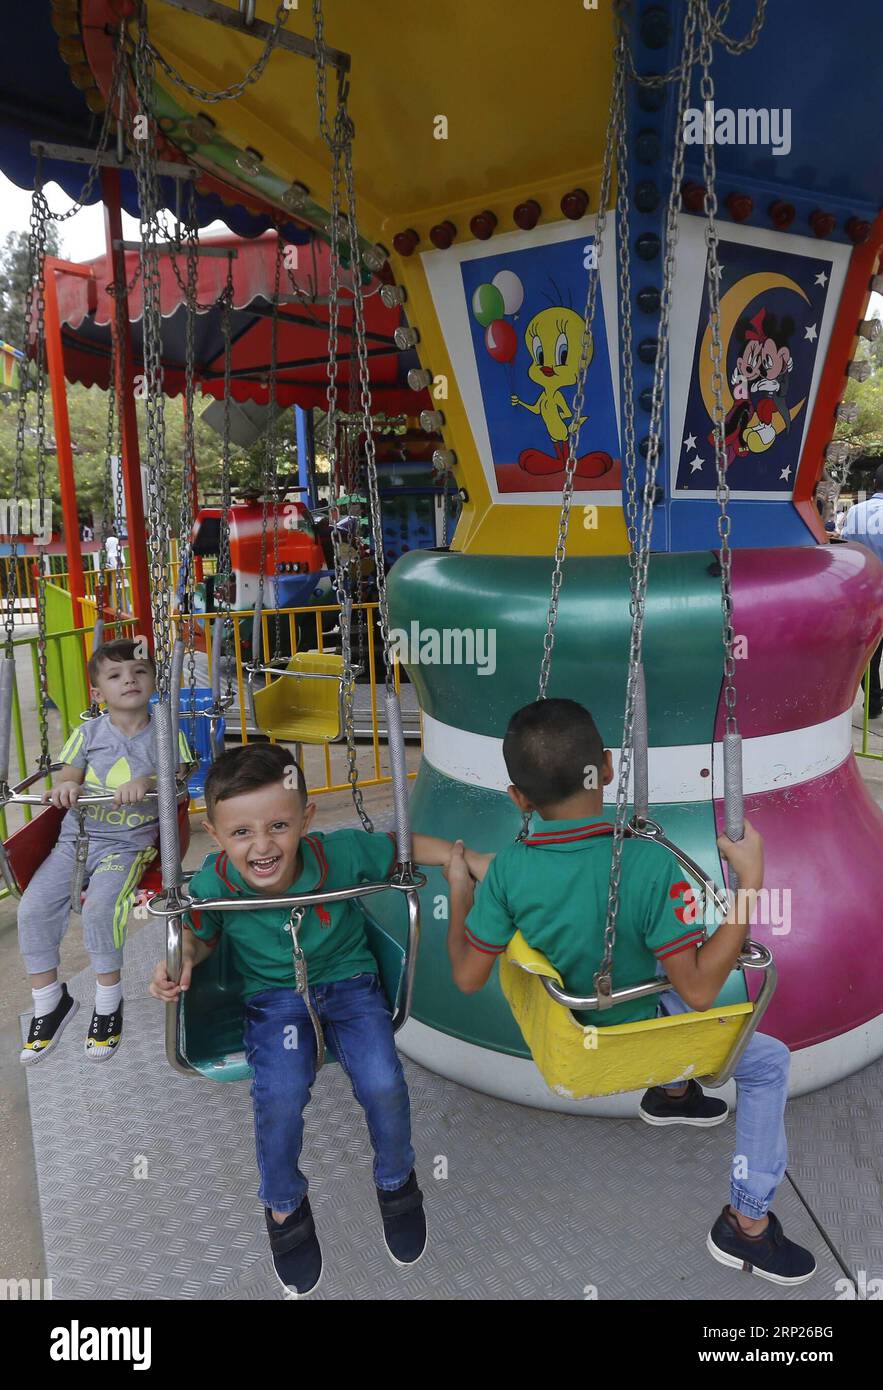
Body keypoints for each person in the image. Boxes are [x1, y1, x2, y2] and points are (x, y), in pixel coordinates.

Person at [443, 699, 816, 1286]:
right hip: (640, 1034)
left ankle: (672, 1095)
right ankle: (747, 1224)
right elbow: (696, 990)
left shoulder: (512, 871)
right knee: (767, 1063)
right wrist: (750, 883)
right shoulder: (647, 865)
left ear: (518, 798)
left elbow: (467, 976)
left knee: (651, 991)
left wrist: (460, 891)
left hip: (577, 1040)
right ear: (610, 768)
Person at [150, 743, 477, 1298]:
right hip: (276, 1000)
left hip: (350, 986)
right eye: (242, 833)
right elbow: (199, 941)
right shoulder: (211, 886)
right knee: (279, 1095)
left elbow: (399, 848)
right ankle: (283, 1206)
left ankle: (397, 1182)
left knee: (383, 1083)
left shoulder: (342, 854)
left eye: (278, 825)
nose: (262, 845)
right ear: (214, 833)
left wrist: (459, 860)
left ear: (306, 819)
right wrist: (176, 962)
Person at [18, 639, 189, 1065]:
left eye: (138, 672)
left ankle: (108, 1002)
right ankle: (48, 1002)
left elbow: (183, 770)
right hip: (75, 843)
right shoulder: (87, 733)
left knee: (101, 908)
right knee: (34, 908)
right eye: (115, 676)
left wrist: (149, 780)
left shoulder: (166, 732)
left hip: (127, 845)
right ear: (98, 694)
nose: (128, 679)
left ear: (152, 681)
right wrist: (67, 787)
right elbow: (68, 775)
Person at [841, 464, 883, 719]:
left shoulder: (856, 511)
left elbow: (847, 547)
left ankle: (874, 701)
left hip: (867, 593)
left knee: (871, 653)